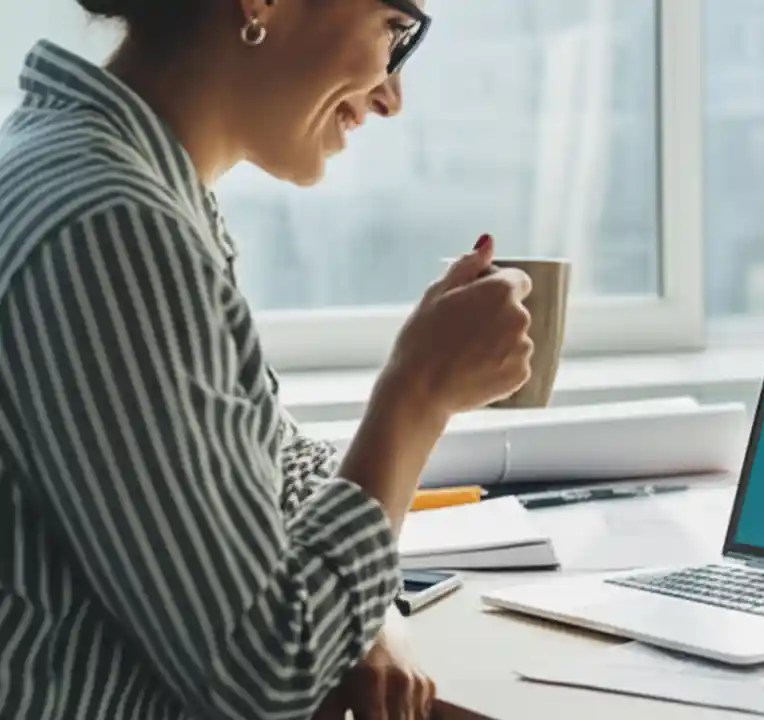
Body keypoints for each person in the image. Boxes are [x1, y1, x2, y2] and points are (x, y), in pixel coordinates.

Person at [0, 1, 535, 718]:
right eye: (393, 29)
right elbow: (266, 676)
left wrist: (370, 615)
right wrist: (417, 395)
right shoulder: (112, 228)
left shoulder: (118, 181)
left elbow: (283, 471)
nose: (391, 95)